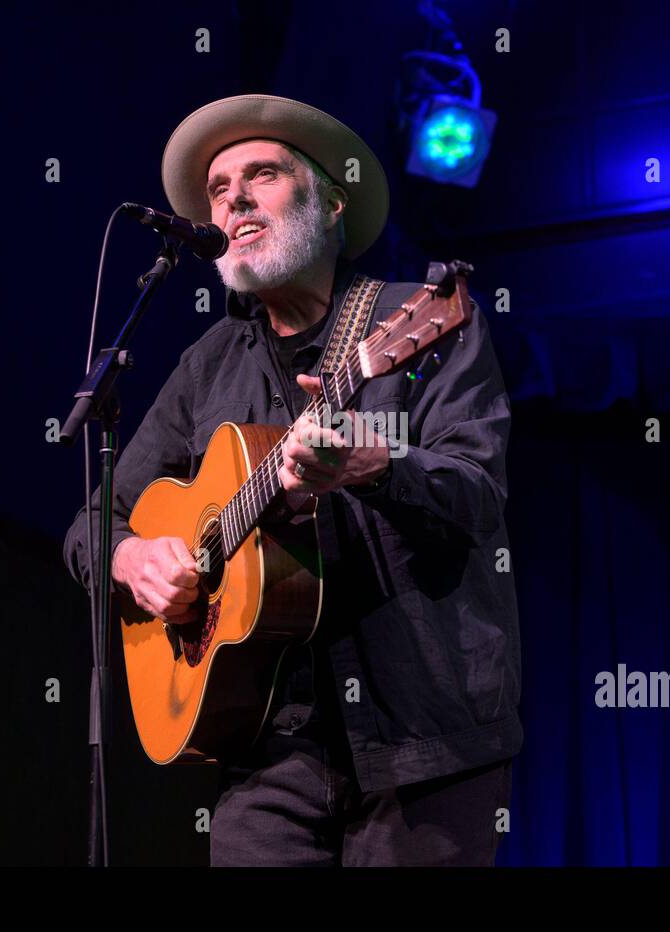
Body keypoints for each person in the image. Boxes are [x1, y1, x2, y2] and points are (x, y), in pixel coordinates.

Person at [64, 94, 521, 866]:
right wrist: (132, 559)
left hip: (424, 741)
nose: (233, 198)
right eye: (217, 189)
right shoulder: (207, 363)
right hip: (264, 751)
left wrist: (377, 466)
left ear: (331, 202)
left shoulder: (416, 318)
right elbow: (93, 520)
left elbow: (475, 491)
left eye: (262, 174)